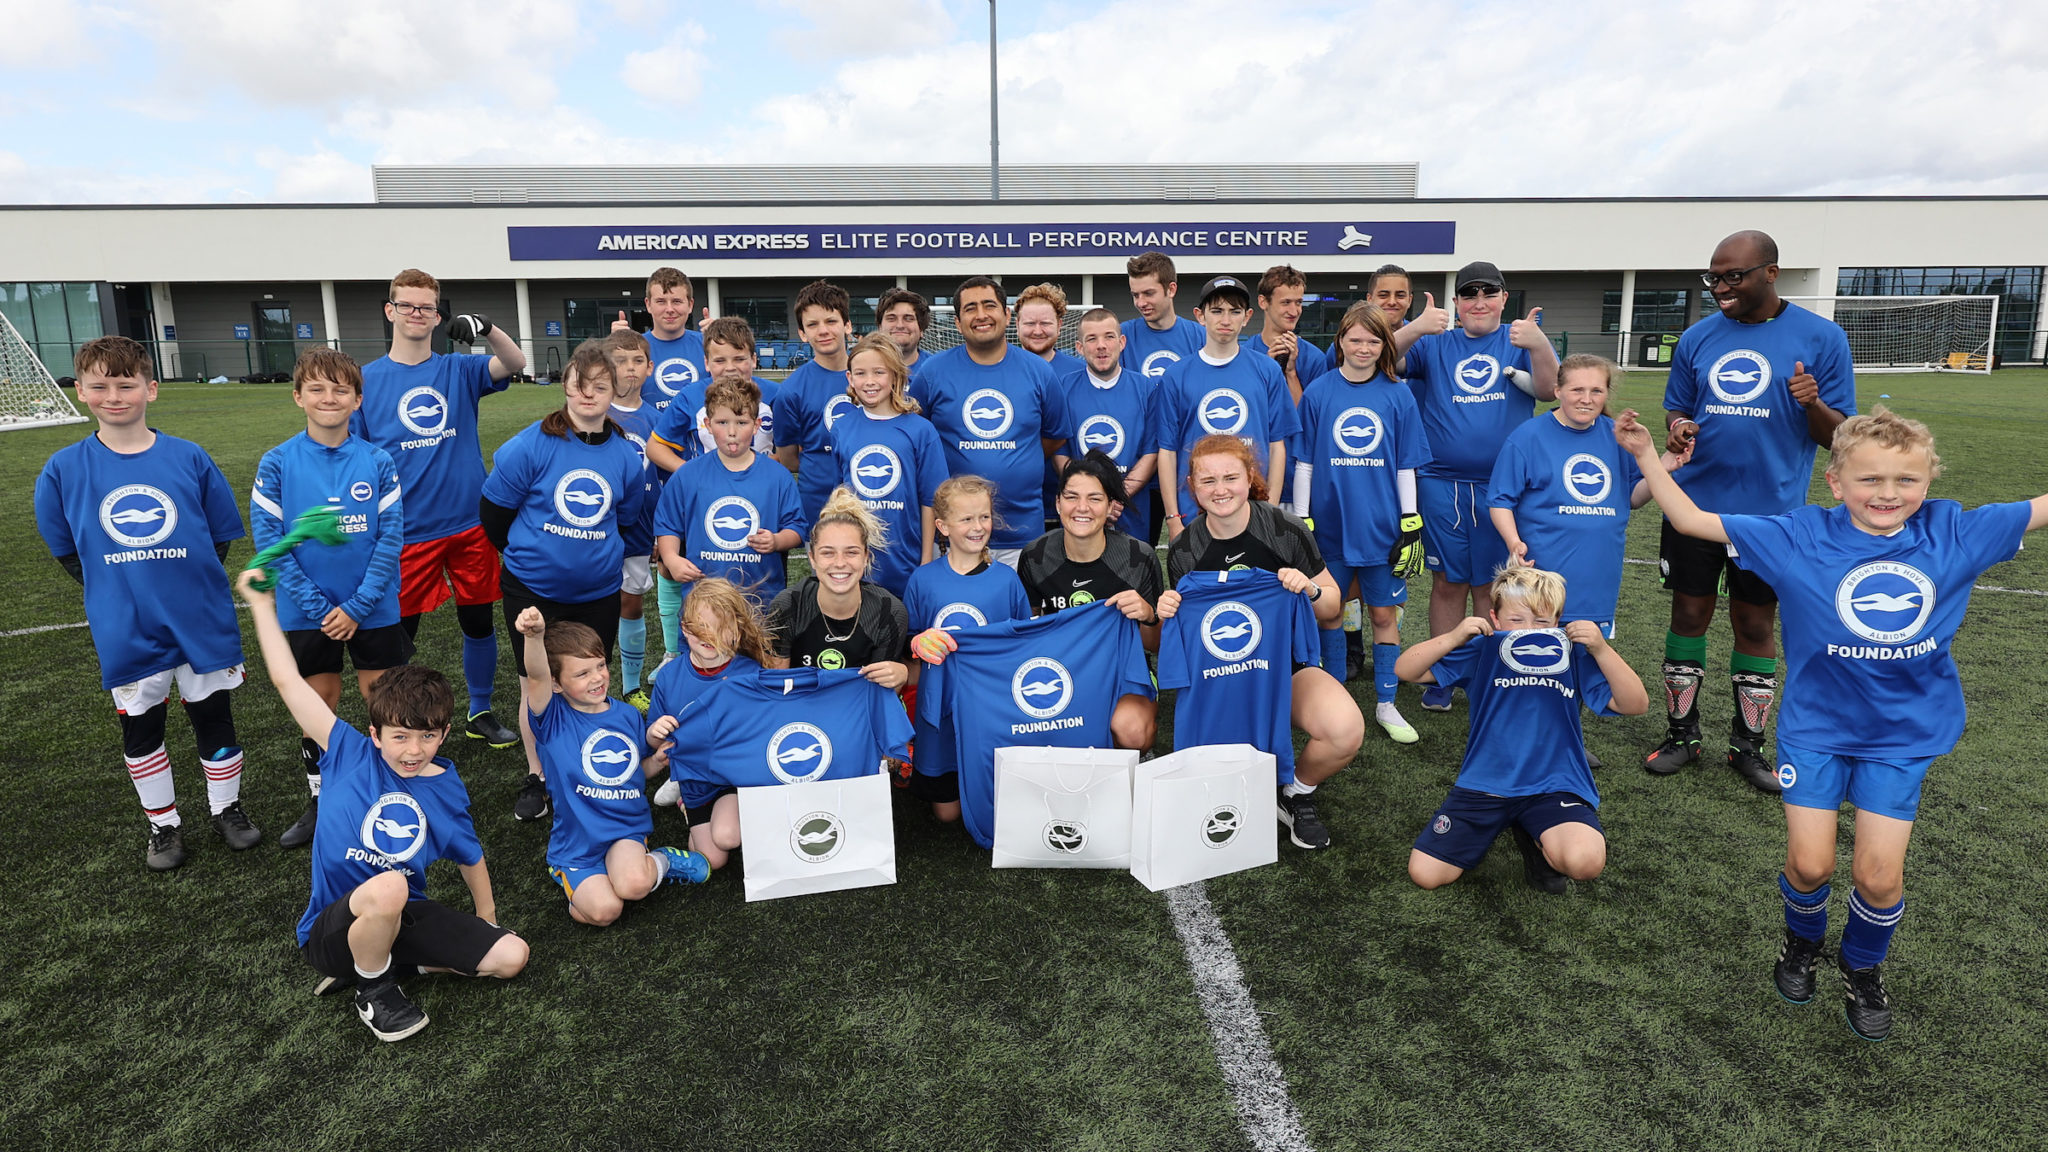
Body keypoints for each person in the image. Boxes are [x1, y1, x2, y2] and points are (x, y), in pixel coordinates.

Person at [1618, 405, 2044, 1042]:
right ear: (1836, 482)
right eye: (1870, 480)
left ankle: (1863, 966)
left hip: (1903, 737)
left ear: (1930, 483)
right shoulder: (1798, 534)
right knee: (1811, 866)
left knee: (1878, 876)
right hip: (1816, 729)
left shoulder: (1956, 532)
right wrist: (1646, 455)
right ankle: (1801, 941)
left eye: (1907, 480)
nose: (1889, 494)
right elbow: (1689, 519)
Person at [239, 568, 526, 1043]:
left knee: (510, 957)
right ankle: (372, 987)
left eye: (428, 736)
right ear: (374, 734)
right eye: (399, 736)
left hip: (400, 914)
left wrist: (488, 921)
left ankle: (380, 959)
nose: (413, 750)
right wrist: (263, 606)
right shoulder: (347, 750)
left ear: (445, 733)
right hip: (329, 930)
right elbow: (289, 682)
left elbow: (469, 855)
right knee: (389, 885)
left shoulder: (447, 787)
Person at [34, 335, 260, 870]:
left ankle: (227, 809)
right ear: (82, 392)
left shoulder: (189, 457)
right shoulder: (64, 468)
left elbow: (220, 536)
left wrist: (189, 585)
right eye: (100, 385)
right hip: (126, 625)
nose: (115, 395)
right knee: (141, 726)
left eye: (126, 384)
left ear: (150, 389)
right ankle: (163, 824)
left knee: (215, 718)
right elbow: (66, 549)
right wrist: (117, 593)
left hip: (198, 619)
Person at [1644, 230, 1856, 794]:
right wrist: (1678, 427)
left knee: (1756, 624)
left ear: (1771, 273)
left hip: (1772, 518)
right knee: (1688, 617)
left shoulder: (1822, 338)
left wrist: (1813, 404)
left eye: (1732, 276)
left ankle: (1748, 745)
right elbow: (1678, 407)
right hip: (1692, 509)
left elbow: (1841, 440)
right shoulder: (1698, 337)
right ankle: (1681, 733)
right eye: (1713, 277)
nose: (1720, 288)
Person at [353, 268, 527, 749]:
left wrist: (487, 328)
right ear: (390, 311)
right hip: (406, 532)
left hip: (469, 524)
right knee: (399, 632)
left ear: (437, 316)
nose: (415, 313)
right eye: (406, 305)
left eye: (426, 307)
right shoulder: (365, 381)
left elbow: (514, 362)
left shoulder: (458, 369)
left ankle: (481, 709)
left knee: (477, 620)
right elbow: (356, 463)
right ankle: (400, 719)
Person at [1161, 435, 1363, 850]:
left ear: (1249, 476)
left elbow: (1332, 609)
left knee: (1344, 730)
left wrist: (1308, 589)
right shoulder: (1184, 548)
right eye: (1208, 481)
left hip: (1285, 670)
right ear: (1192, 487)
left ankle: (1295, 792)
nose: (1220, 490)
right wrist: (1168, 606)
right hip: (1223, 675)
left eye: (1231, 478)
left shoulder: (1284, 528)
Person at [1396, 566, 1648, 894]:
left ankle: (1534, 835)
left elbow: (1636, 704)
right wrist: (1455, 636)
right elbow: (1405, 669)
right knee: (1425, 874)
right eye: (1516, 620)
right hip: (1486, 782)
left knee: (1585, 862)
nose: (1529, 629)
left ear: (1557, 622)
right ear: (1495, 618)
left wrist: (1602, 649)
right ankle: (1508, 823)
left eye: (1542, 621)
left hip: (1554, 783)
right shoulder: (1484, 647)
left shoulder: (1574, 653)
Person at [479, 341, 647, 821]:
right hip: (533, 591)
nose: (588, 393)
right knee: (538, 682)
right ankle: (538, 775)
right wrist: (526, 557)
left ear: (615, 390)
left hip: (597, 594)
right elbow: (493, 514)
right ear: (565, 384)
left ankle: (580, 765)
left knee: (587, 681)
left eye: (600, 385)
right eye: (579, 383)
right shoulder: (530, 444)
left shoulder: (624, 456)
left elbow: (627, 520)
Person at [250, 346, 408, 849]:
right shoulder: (277, 463)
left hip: (375, 607)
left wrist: (358, 606)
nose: (329, 397)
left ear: (358, 399)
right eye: (316, 388)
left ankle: (390, 789)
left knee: (382, 700)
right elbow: (271, 542)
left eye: (341, 389)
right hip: (306, 611)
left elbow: (390, 538)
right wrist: (322, 608)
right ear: (298, 396)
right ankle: (322, 799)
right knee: (319, 703)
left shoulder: (378, 461)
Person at [1392, 260, 1559, 712]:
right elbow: (1381, 356)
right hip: (1440, 482)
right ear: (1456, 303)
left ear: (1505, 299)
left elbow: (1549, 391)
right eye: (1469, 295)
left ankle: (1493, 667)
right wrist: (1418, 328)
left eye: (1489, 294)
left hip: (1502, 488)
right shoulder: (1436, 343)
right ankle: (1444, 672)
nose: (1479, 302)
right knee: (1447, 582)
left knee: (1495, 585)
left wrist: (1540, 345)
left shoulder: (1519, 339)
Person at [514, 608, 707, 926]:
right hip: (578, 842)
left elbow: (632, 775)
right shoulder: (552, 719)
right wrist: (534, 637)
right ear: (557, 684)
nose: (596, 678)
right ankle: (572, 876)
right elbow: (535, 675)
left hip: (626, 829)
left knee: (634, 886)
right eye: (581, 674)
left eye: (600, 666)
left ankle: (662, 861)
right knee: (605, 911)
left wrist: (656, 761)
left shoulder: (628, 716)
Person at [1292, 303, 1429, 742]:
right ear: (1340, 342)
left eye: (1374, 340)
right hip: (1329, 528)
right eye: (1355, 339)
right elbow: (1305, 464)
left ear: (1385, 345)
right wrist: (1301, 518)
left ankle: (1386, 703)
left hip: (1382, 529)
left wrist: (1410, 521)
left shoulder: (1398, 393)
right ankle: (1338, 701)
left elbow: (1406, 464)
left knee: (1384, 614)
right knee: (1330, 612)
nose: (1364, 347)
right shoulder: (1318, 391)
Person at [1490, 354, 1684, 635]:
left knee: (1589, 662)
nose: (1586, 399)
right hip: (1541, 579)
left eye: (1596, 391)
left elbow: (1632, 498)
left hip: (1598, 580)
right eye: (1577, 390)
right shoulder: (1528, 437)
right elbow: (1500, 500)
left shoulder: (1617, 435)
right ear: (1558, 391)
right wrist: (1513, 542)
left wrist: (1662, 467)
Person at [646, 315, 780, 671]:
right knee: (700, 589)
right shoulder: (690, 397)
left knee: (763, 590)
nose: (730, 367)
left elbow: (792, 451)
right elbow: (656, 449)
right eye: (719, 360)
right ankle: (684, 657)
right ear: (705, 363)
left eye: (739, 358)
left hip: (761, 511)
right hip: (705, 512)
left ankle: (758, 661)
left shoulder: (777, 394)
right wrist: (697, 476)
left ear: (754, 359)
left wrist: (763, 473)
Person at [909, 276, 1069, 569]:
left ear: (1007, 315)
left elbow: (1054, 436)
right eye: (970, 308)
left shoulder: (1039, 372)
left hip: (1023, 533)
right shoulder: (933, 372)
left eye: (989, 305)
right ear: (958, 323)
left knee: (1023, 613)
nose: (981, 315)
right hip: (954, 533)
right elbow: (915, 437)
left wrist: (1018, 459)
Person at [902, 475, 1032, 823]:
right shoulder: (923, 580)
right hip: (940, 709)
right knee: (947, 815)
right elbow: (909, 648)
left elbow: (1024, 645)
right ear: (942, 526)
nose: (978, 527)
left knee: (997, 802)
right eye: (967, 519)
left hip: (990, 707)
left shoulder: (1006, 580)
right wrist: (916, 643)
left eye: (984, 517)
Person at [1018, 452, 1162, 751]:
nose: (1082, 508)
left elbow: (1156, 645)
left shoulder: (1138, 557)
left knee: (1131, 731)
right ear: (1057, 503)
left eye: (1095, 498)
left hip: (1125, 670)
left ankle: (1135, 758)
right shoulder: (1036, 556)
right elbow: (1025, 632)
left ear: (1111, 506)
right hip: (1062, 669)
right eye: (1072, 497)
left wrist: (1147, 614)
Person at [645, 578, 775, 868]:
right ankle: (683, 799)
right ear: (684, 628)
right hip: (696, 782)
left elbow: (765, 730)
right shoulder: (669, 677)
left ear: (736, 630)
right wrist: (656, 732)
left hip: (735, 779)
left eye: (721, 627)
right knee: (712, 860)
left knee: (727, 837)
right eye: (701, 627)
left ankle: (727, 812)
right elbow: (652, 742)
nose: (710, 635)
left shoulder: (750, 672)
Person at [1156, 276, 1298, 537]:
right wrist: (1173, 517)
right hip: (1195, 511)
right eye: (1217, 311)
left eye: (1235, 312)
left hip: (1254, 509)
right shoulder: (1176, 375)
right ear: (1200, 316)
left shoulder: (1267, 370)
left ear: (1247, 317)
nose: (1226, 319)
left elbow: (1277, 444)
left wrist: (1271, 507)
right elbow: (1167, 451)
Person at [654, 375, 803, 602]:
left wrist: (777, 540)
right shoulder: (688, 475)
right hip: (703, 603)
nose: (732, 431)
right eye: (722, 423)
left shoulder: (778, 476)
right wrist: (672, 559)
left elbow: (797, 528)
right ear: (708, 425)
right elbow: (667, 525)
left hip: (762, 603)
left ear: (756, 426)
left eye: (741, 423)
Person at [764, 488, 912, 690]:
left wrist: (899, 675)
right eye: (828, 553)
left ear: (866, 557)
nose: (840, 563)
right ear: (812, 559)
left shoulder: (889, 612)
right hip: (800, 714)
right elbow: (777, 690)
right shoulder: (788, 606)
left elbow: (880, 699)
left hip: (858, 715)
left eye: (851, 552)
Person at [835, 333, 946, 597]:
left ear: (896, 376)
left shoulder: (921, 430)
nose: (870, 381)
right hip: (858, 562)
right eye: (860, 373)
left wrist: (926, 559)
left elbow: (930, 499)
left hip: (906, 558)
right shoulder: (842, 428)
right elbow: (841, 496)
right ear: (850, 379)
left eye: (879, 372)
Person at [1056, 307, 1158, 543]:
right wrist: (1092, 501)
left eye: (1109, 337)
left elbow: (1151, 454)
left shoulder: (1146, 389)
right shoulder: (1063, 389)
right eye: (1091, 339)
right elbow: (1059, 454)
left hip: (1130, 512)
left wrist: (1116, 499)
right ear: (1079, 347)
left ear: (1121, 342)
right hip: (1081, 512)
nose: (1101, 345)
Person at [601, 329, 659, 709]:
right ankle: (586, 679)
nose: (630, 368)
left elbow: (664, 476)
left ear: (650, 367)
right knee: (593, 605)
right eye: (620, 361)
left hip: (640, 526)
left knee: (630, 603)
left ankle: (631, 685)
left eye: (637, 360)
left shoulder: (657, 418)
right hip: (597, 526)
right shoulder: (594, 412)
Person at [771, 280, 856, 530]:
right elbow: (789, 460)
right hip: (819, 505)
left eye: (831, 321)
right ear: (802, 333)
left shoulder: (873, 377)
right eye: (812, 324)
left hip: (875, 499)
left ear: (847, 325)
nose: (823, 330)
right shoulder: (791, 391)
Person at [1017, 282, 1090, 532]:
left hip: (1074, 501)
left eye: (1046, 323)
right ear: (1016, 325)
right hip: (1019, 502)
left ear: (1060, 325)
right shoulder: (1000, 371)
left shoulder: (1082, 371)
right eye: (1029, 323)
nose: (1037, 331)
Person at [1245, 264, 1331, 405]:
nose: (1294, 311)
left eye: (1298, 303)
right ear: (1263, 302)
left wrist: (1291, 373)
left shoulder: (1315, 359)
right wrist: (1268, 372)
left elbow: (1308, 419)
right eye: (1286, 302)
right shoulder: (1246, 355)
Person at [626, 266, 706, 415]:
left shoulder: (709, 345)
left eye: (676, 301)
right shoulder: (633, 350)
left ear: (690, 305)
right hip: (651, 436)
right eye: (661, 301)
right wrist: (612, 353)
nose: (669, 309)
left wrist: (723, 340)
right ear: (648, 305)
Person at [1122, 250, 1205, 380]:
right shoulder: (1121, 336)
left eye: (1149, 293)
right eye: (1135, 295)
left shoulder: (1200, 337)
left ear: (1171, 290)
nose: (1141, 303)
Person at [877, 287, 933, 378]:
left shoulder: (938, 370)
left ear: (921, 329)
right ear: (879, 327)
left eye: (908, 319)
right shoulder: (860, 368)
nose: (900, 325)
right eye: (891, 318)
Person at [1368, 264, 1413, 328]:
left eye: (1400, 295)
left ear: (1409, 300)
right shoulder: (1353, 334)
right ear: (1370, 299)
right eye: (1383, 295)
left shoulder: (1426, 336)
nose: (1392, 302)